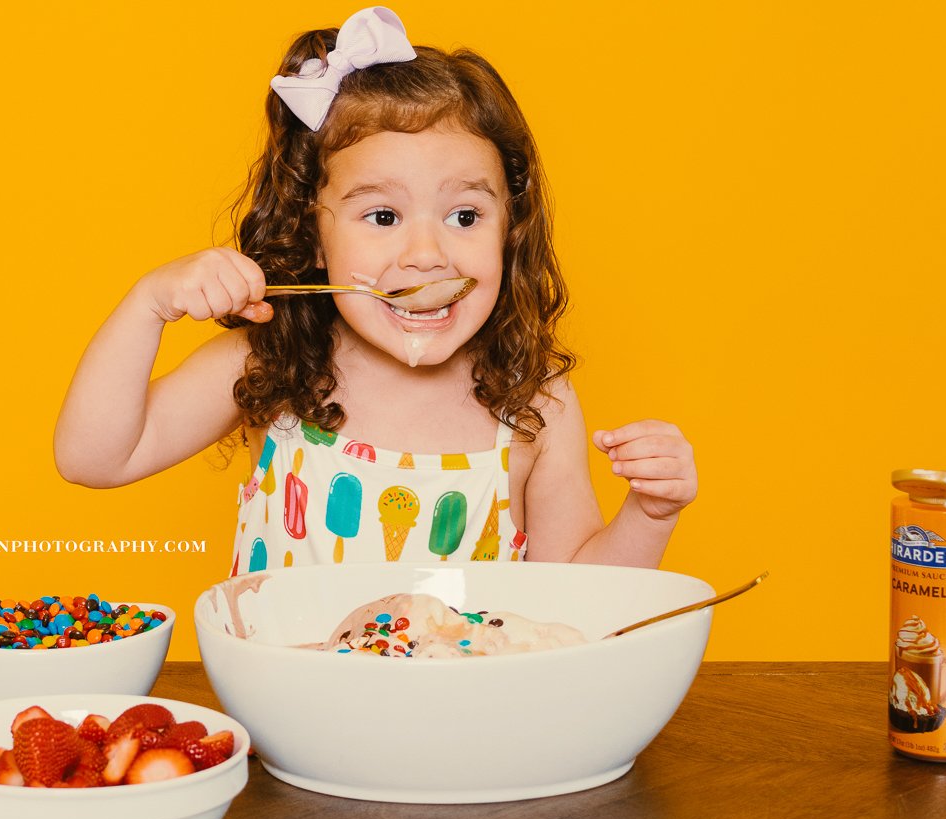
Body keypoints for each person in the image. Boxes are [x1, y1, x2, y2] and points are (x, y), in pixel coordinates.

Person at [55, 7, 696, 574]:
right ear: (313, 232)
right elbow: (94, 459)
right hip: (286, 707)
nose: (426, 255)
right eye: (383, 217)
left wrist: (650, 512)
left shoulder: (537, 399)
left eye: (465, 216)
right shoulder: (271, 361)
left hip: (468, 710)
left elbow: (578, 598)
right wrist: (147, 305)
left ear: (511, 226)